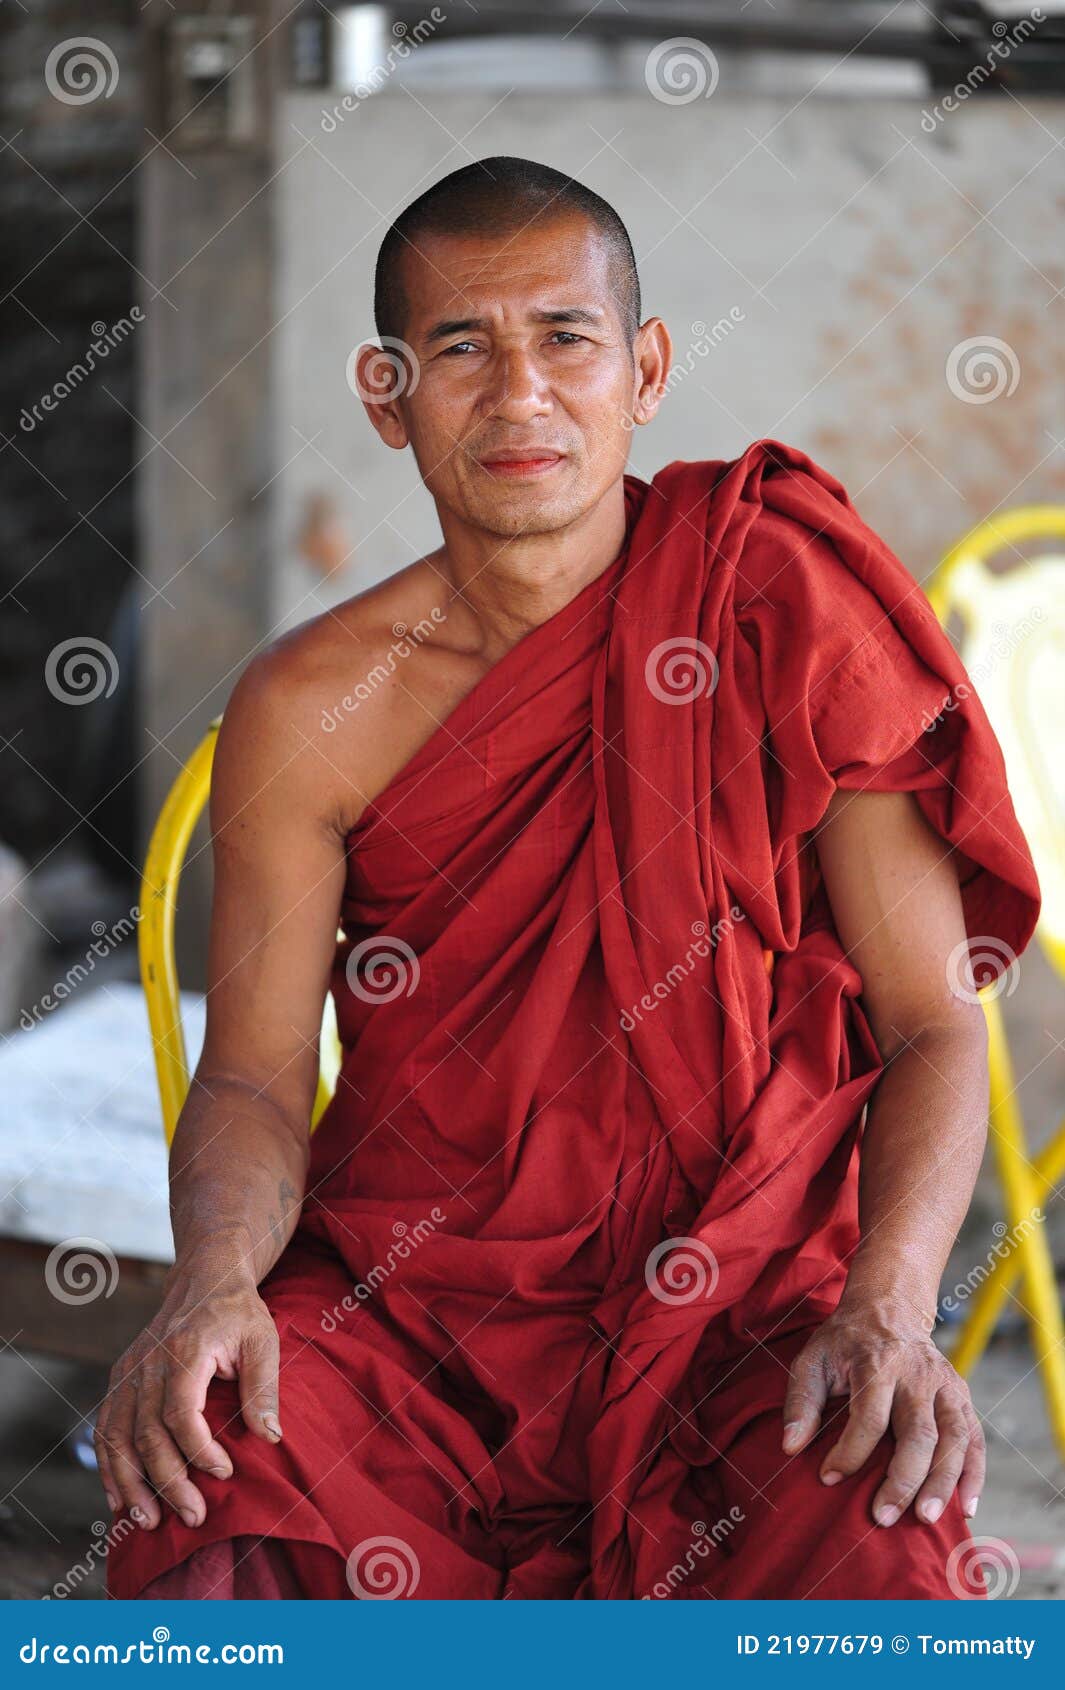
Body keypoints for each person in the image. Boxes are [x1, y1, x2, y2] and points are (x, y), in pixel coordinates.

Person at [102, 156, 1040, 1601]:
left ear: (645, 368)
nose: (519, 394)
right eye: (460, 348)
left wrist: (890, 1310)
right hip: (406, 1309)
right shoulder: (311, 705)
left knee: (873, 1545)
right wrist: (214, 1284)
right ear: (385, 395)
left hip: (746, 1311)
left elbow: (930, 1024)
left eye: (565, 338)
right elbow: (250, 1080)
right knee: (215, 1498)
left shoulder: (779, 602)